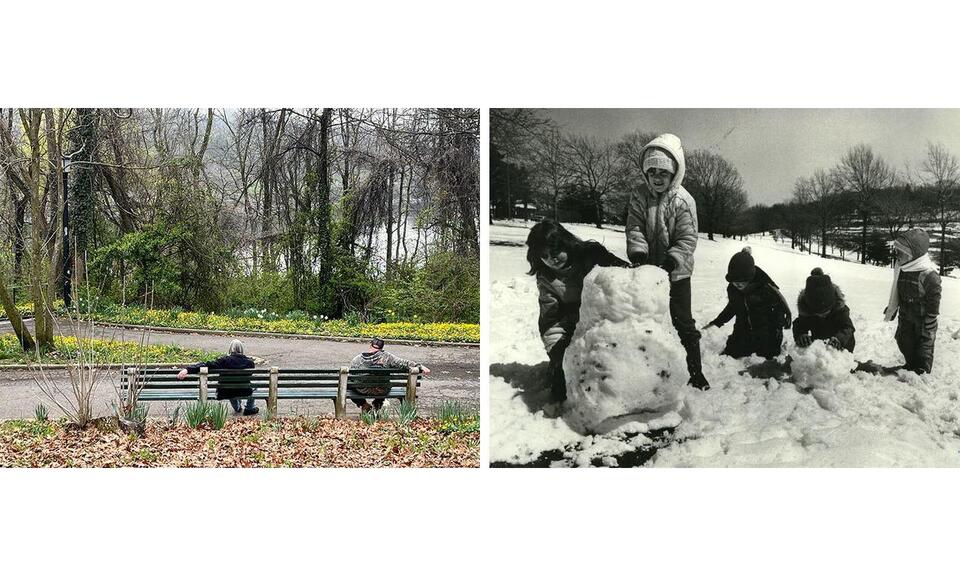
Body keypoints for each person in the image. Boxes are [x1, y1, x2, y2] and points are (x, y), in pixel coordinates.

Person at [625, 133, 709, 390]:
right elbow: (635, 227)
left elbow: (687, 238)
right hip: (648, 272)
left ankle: (695, 372)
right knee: (647, 320)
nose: (657, 178)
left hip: (677, 273)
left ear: (674, 173)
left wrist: (672, 262)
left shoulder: (683, 200)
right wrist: (638, 255)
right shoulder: (639, 195)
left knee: (683, 322)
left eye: (663, 172)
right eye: (652, 172)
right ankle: (649, 372)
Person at [526, 220, 631, 402]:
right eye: (544, 255)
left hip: (605, 325)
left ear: (566, 243)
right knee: (565, 387)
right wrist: (558, 352)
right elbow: (551, 320)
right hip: (572, 332)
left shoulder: (591, 255)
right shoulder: (547, 279)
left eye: (555, 252)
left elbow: (626, 275)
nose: (552, 259)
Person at [705, 248, 792, 360]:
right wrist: (718, 321)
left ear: (750, 278)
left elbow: (778, 313)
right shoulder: (733, 289)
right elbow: (732, 307)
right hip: (743, 329)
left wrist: (776, 336)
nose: (738, 285)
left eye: (742, 281)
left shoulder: (765, 289)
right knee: (732, 353)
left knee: (765, 357)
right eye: (735, 281)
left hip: (765, 331)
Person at [884, 228, 941, 374]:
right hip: (906, 315)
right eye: (896, 251)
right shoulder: (902, 269)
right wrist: (893, 308)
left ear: (913, 255)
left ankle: (922, 369)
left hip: (923, 318)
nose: (897, 255)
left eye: (901, 252)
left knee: (924, 345)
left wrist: (931, 316)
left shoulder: (928, 274)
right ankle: (911, 363)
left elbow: (934, 298)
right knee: (903, 340)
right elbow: (897, 292)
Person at [177, 339, 258, 415]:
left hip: (226, 391)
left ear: (230, 349)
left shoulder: (224, 361)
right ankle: (249, 408)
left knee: (231, 387)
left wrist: (188, 369)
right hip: (244, 390)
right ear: (241, 349)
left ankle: (237, 408)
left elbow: (206, 364)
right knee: (254, 386)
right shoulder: (250, 363)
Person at [349, 338, 431, 414]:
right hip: (381, 391)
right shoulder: (387, 357)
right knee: (384, 383)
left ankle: (363, 404)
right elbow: (403, 363)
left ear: (370, 346)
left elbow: (351, 377)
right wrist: (419, 366)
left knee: (349, 385)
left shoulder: (357, 359)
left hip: (362, 391)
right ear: (381, 348)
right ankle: (377, 404)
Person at [793, 267, 856, 352]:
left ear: (833, 305)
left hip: (842, 345)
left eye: (826, 312)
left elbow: (847, 328)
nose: (822, 315)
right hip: (819, 343)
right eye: (817, 313)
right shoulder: (806, 309)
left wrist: (839, 339)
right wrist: (801, 335)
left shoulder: (840, 310)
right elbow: (800, 325)